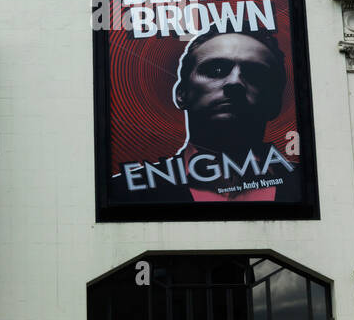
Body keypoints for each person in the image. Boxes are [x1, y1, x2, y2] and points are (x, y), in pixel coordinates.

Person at [109, 28, 300, 203]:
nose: (234, 82)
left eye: (255, 74)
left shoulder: (304, 184)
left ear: (275, 103)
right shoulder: (122, 192)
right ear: (181, 94)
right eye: (215, 70)